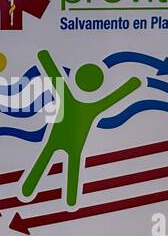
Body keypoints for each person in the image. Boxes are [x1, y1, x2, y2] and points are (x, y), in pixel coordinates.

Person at [20, 49, 140, 208]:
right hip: (73, 144)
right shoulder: (92, 108)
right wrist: (132, 84)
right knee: (70, 168)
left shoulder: (70, 99)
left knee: (47, 161)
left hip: (59, 140)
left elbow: (54, 75)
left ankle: (33, 191)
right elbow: (113, 99)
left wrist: (45, 57)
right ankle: (68, 200)